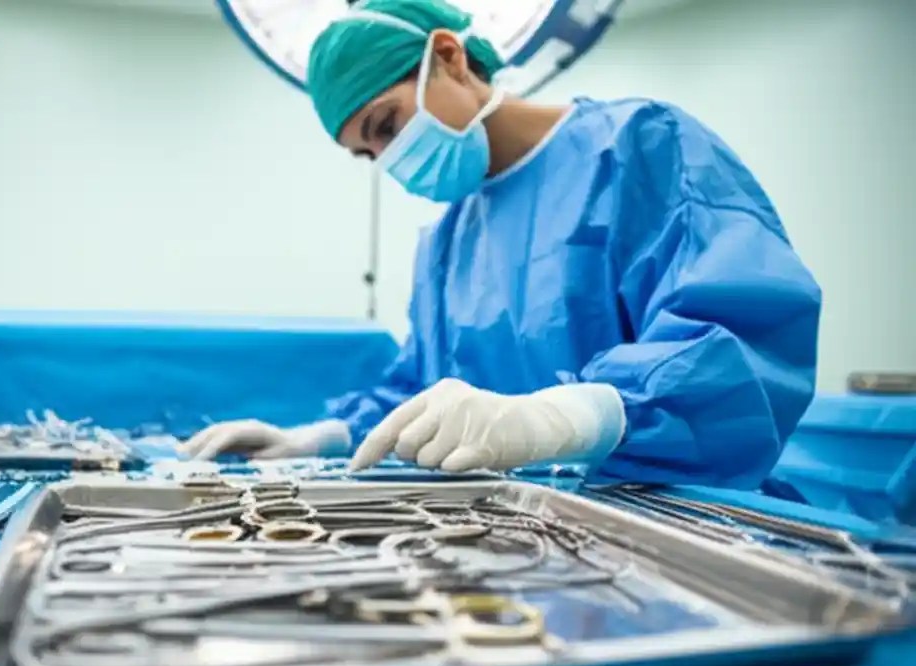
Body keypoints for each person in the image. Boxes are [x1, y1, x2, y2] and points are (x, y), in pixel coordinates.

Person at [184, 0, 821, 489]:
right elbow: (425, 390)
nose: (388, 158)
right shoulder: (447, 241)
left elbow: (738, 348)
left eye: (386, 125)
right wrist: (318, 438)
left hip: (679, 519)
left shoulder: (640, 149)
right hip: (520, 537)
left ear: (450, 58)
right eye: (366, 152)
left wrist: (558, 422)